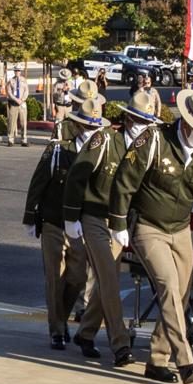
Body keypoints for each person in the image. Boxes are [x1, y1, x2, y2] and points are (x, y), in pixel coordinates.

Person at [111, 89, 193, 384]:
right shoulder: (155, 140)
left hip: (181, 228)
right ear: (185, 123)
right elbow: (125, 179)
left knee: (181, 293)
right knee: (168, 286)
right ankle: (185, 360)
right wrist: (119, 222)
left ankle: (157, 359)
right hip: (149, 226)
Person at [62, 95, 132, 366]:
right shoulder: (103, 141)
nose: (142, 125)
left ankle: (87, 332)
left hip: (117, 222)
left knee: (107, 280)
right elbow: (76, 178)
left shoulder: (142, 146)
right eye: (137, 120)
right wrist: (71, 217)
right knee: (110, 281)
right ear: (126, 119)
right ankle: (120, 343)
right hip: (93, 217)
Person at [22, 92, 89, 351]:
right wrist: (30, 217)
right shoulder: (59, 147)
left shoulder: (99, 147)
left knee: (77, 277)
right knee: (54, 277)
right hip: (53, 220)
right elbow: (38, 182)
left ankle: (61, 317)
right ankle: (57, 330)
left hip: (79, 225)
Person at [3, 64, 29, 147]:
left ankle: (24, 140)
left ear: (20, 71)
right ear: (14, 71)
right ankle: (11, 140)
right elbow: (9, 92)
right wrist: (16, 99)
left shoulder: (24, 80)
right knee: (12, 122)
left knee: (23, 122)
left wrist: (22, 100)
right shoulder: (11, 81)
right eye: (16, 70)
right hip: (14, 104)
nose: (17, 72)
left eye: (19, 70)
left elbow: (26, 91)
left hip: (22, 103)